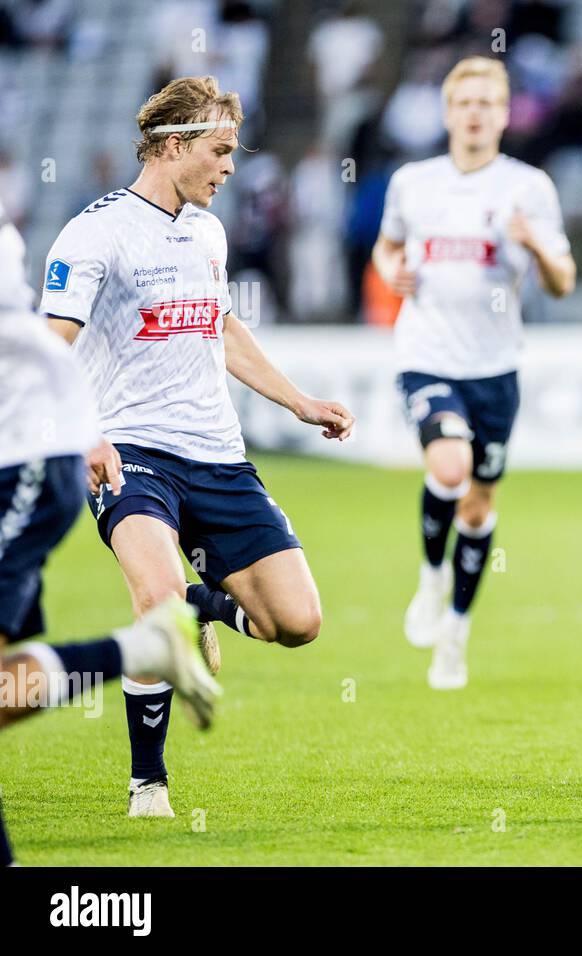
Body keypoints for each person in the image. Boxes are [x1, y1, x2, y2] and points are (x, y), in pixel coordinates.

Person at [40, 75, 354, 817]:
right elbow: (51, 349)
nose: (230, 167)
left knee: (297, 623)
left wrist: (299, 401)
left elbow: (220, 328)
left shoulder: (207, 232)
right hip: (133, 454)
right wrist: (82, 433)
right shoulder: (95, 234)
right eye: (219, 150)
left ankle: (202, 607)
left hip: (217, 454)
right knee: (154, 603)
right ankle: (148, 784)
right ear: (172, 147)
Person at [0, 196, 220, 866]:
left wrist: (84, 428)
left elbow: (40, 342)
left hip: (23, 458)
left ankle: (146, 644)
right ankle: (149, 644)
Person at [372, 56, 575, 690]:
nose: (476, 112)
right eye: (465, 103)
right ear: (447, 112)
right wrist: (389, 271)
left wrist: (537, 244)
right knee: (450, 467)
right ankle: (432, 577)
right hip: (427, 355)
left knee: (480, 508)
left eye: (488, 102)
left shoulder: (528, 187)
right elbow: (387, 245)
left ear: (505, 113)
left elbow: (563, 282)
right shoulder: (413, 181)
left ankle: (455, 631)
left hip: (496, 367)